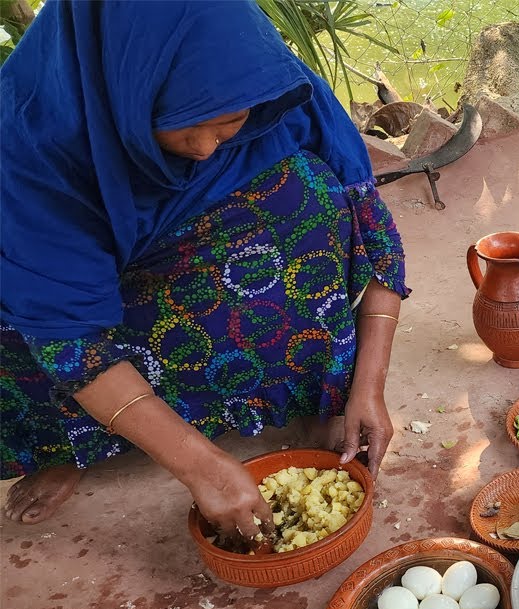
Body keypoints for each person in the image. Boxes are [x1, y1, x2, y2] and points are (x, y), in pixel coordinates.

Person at [0, 0, 410, 539]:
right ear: (125, 95)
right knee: (21, 315)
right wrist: (199, 466)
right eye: (178, 126)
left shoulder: (259, 82)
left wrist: (369, 386)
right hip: (86, 289)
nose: (202, 150)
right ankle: (72, 442)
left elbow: (374, 237)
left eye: (229, 125)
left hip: (212, 262)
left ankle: (318, 392)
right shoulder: (32, 139)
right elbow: (66, 336)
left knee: (311, 199)